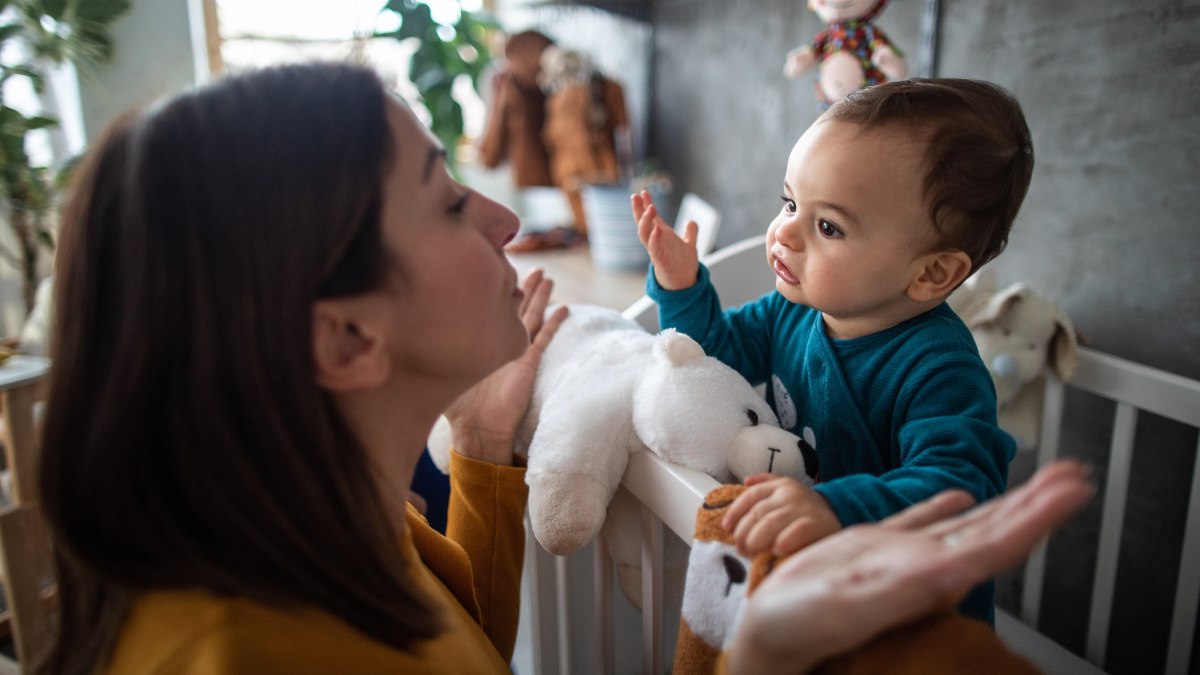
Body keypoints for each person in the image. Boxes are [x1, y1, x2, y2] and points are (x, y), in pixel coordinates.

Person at [35, 63, 1083, 674]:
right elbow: (704, 352)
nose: (505, 218)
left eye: (829, 223)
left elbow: (464, 651)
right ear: (347, 340)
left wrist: (486, 458)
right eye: (450, 200)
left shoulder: (354, 528)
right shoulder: (249, 649)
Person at [632, 77, 1035, 624]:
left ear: (933, 272)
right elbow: (712, 359)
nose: (785, 233)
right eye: (789, 202)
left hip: (914, 624)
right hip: (818, 597)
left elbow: (960, 488)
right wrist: (682, 289)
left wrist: (836, 508)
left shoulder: (940, 369)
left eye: (827, 226)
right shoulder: (791, 311)